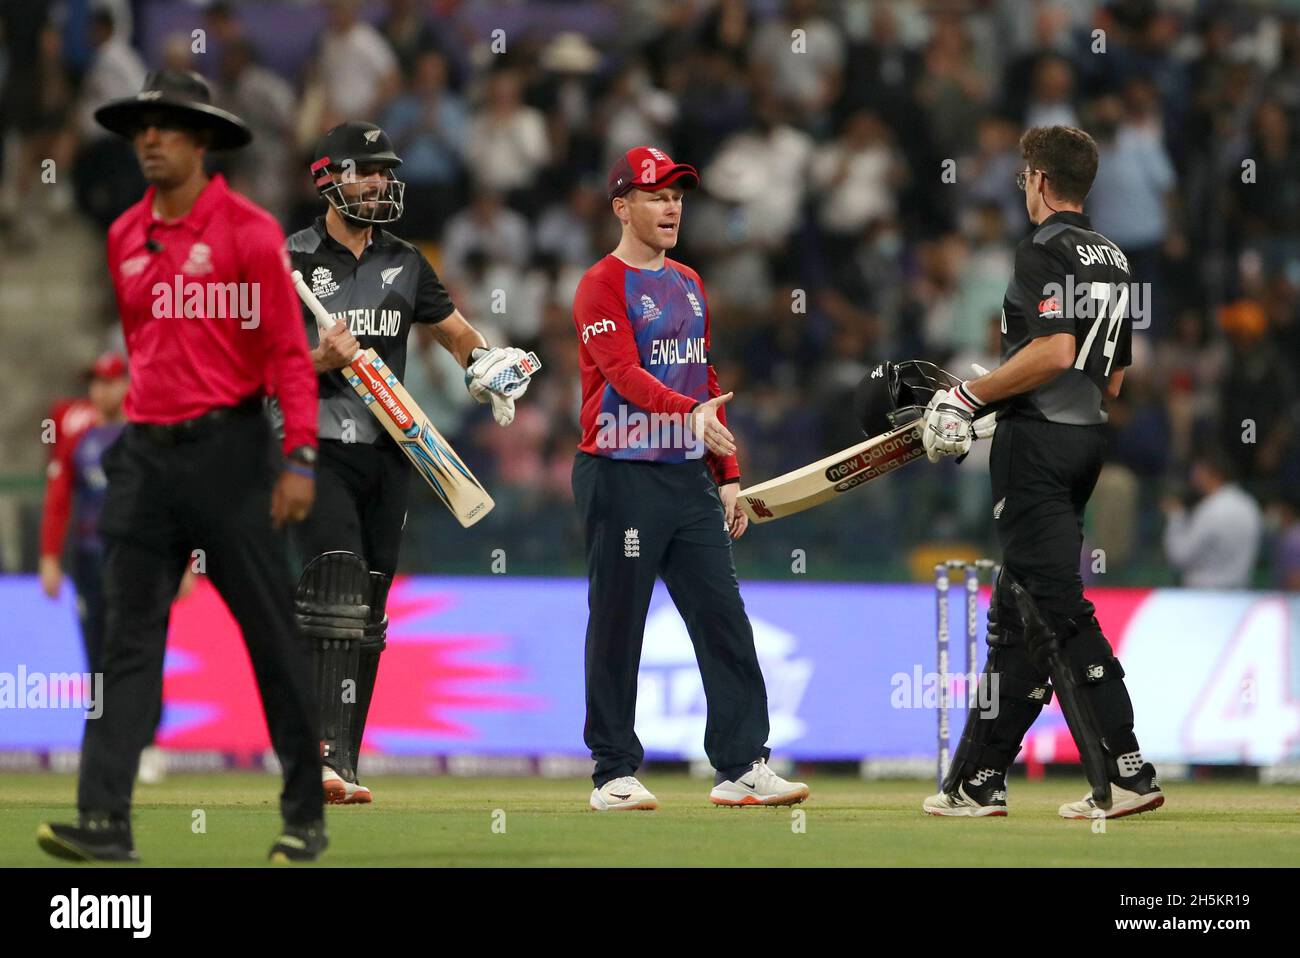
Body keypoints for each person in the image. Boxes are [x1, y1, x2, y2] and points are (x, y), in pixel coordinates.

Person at [37, 70, 326, 863]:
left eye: (166, 127)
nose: (150, 140)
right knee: (127, 645)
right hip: (145, 461)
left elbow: (287, 358)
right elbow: (144, 351)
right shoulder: (124, 234)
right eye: (142, 128)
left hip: (232, 459)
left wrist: (298, 455)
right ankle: (105, 823)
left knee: (272, 639)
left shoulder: (251, 232)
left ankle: (305, 813)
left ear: (202, 140)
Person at [289, 120, 536, 805]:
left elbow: (456, 335)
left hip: (396, 451)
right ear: (328, 177)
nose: (381, 182)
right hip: (320, 447)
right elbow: (255, 367)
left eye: (386, 171)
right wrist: (319, 360)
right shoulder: (290, 260)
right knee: (334, 587)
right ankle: (318, 752)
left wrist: (486, 365)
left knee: (368, 606)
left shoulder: (407, 260)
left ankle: (346, 756)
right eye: (367, 169)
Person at [920, 125, 1163, 820]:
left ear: (1039, 181)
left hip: (1038, 450)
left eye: (1025, 176)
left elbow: (1053, 351)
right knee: (1019, 616)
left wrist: (974, 395)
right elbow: (1112, 377)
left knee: (1055, 612)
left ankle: (1124, 773)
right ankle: (975, 782)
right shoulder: (1112, 256)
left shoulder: (1042, 249)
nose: (1022, 187)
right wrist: (1010, 396)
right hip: (1085, 438)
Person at [571, 145, 809, 811]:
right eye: (655, 194)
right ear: (623, 207)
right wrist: (692, 418)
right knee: (619, 621)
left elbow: (701, 378)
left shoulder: (689, 283)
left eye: (677, 194)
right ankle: (612, 771)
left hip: (685, 479)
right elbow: (623, 374)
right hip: (619, 476)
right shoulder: (600, 284)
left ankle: (741, 766)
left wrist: (727, 475)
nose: (672, 205)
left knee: (724, 618)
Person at [1162, 450, 1262, 588]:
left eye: (1198, 472)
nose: (1193, 477)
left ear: (1215, 474)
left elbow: (1179, 555)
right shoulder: (1249, 503)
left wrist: (1176, 517)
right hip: (1240, 591)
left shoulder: (1211, 509)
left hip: (1205, 594)